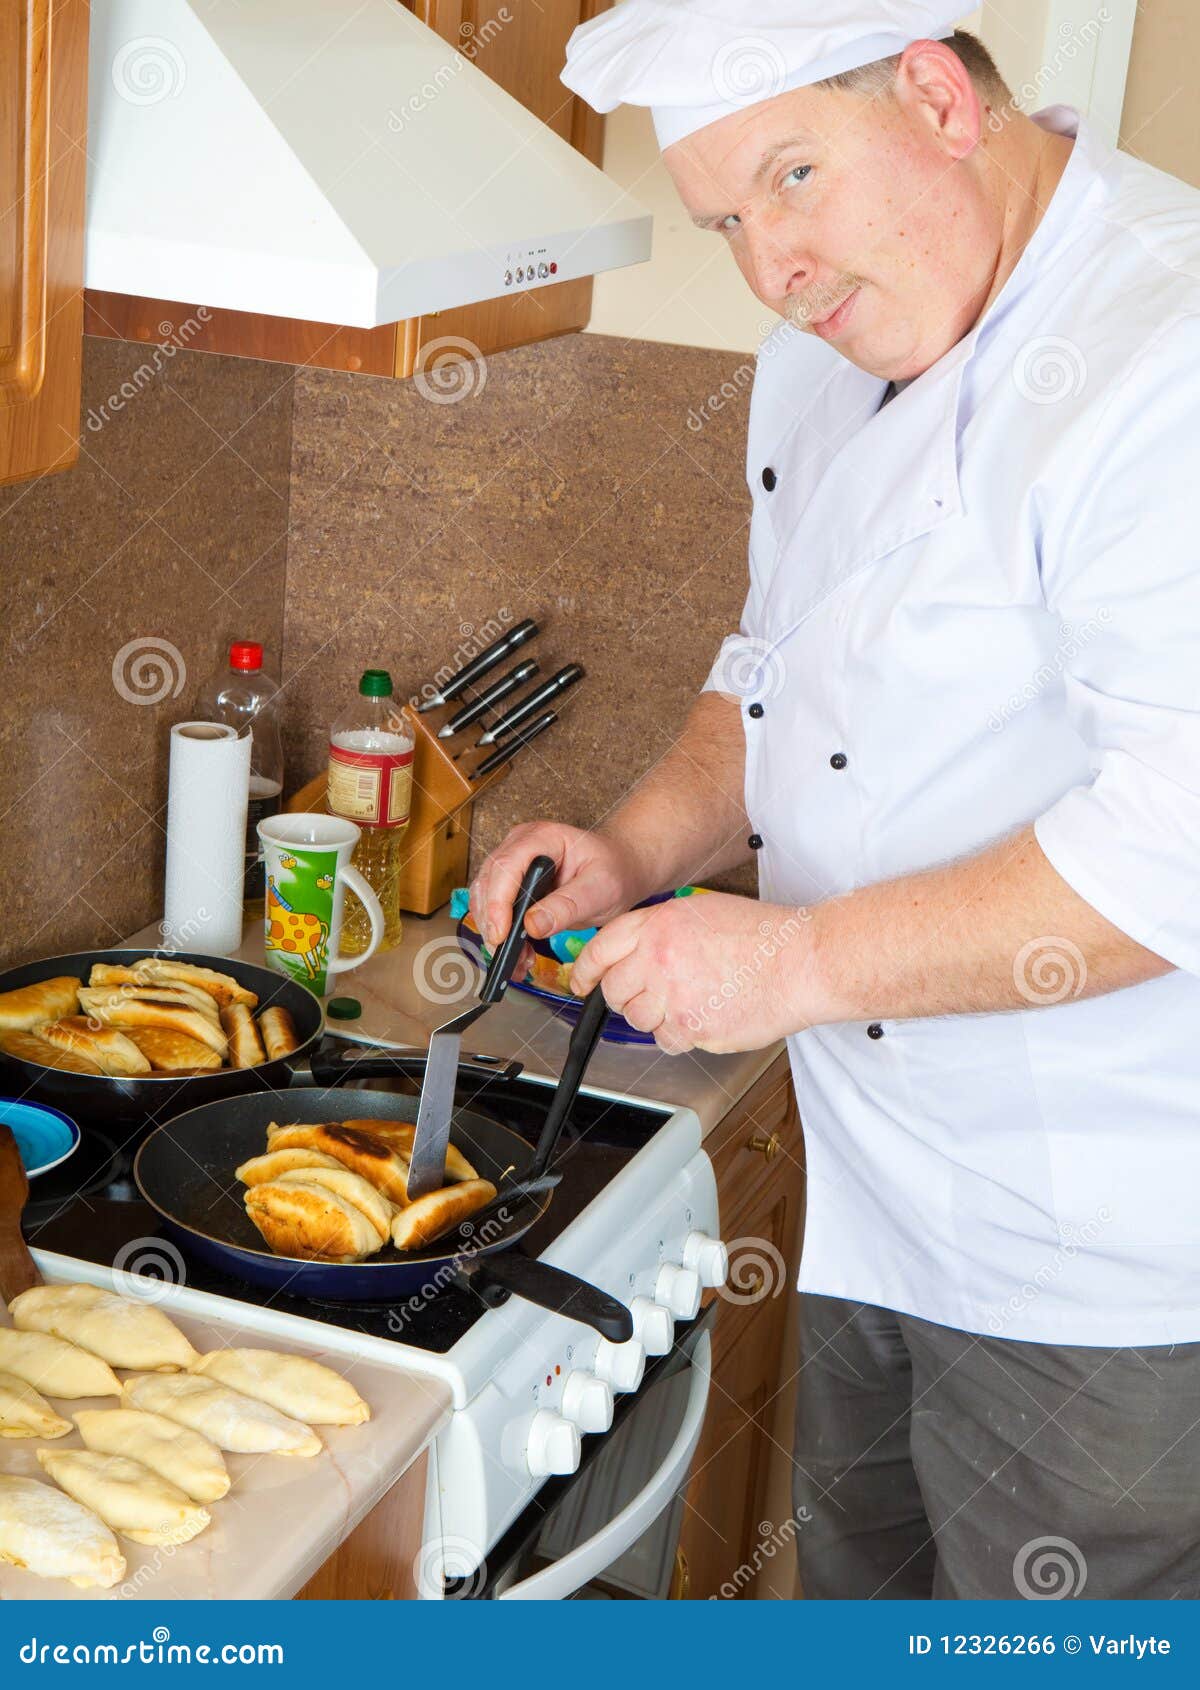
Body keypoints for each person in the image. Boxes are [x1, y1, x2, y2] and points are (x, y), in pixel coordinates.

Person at [471, 1, 1200, 1599]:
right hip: (875, 1195)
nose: (770, 270)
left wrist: (787, 966)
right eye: (729, 218)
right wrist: (637, 846)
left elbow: (1175, 851)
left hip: (1111, 1272)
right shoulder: (830, 344)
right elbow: (772, 665)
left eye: (793, 177)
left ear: (938, 98)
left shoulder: (1168, 351)